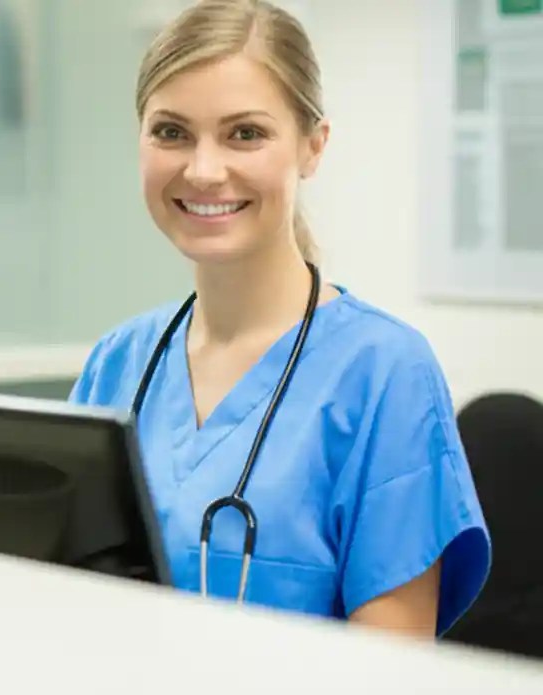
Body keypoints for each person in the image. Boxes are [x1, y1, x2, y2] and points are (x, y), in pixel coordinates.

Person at [68, 0, 490, 638]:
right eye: (171, 132)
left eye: (245, 134)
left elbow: (394, 678)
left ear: (313, 146)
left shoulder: (384, 374)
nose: (203, 170)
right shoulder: (117, 364)